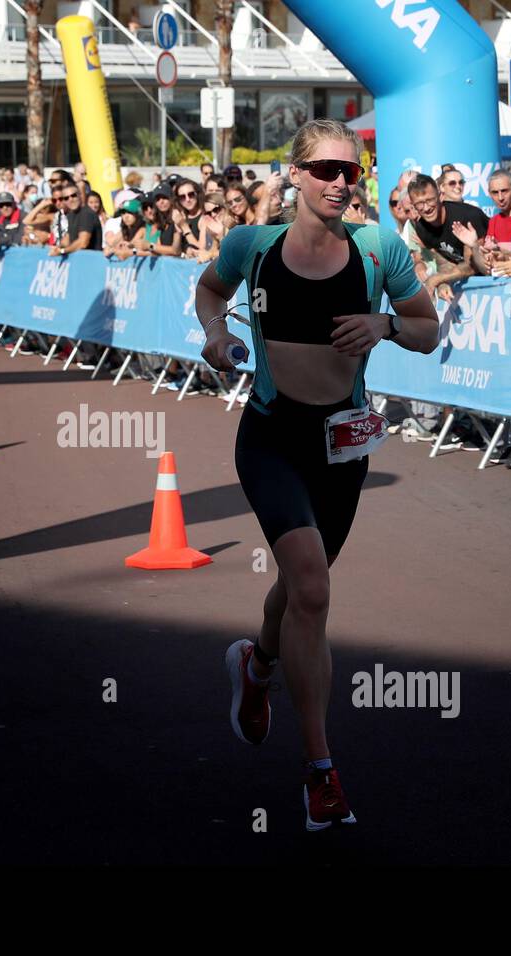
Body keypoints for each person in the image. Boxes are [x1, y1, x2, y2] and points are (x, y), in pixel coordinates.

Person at [195, 119, 439, 832]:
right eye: (327, 168)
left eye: (352, 170)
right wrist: (216, 334)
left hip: (343, 445)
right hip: (271, 437)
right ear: (296, 174)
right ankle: (321, 774)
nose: (341, 181)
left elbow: (429, 330)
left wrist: (386, 326)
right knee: (312, 586)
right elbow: (209, 293)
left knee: (301, 591)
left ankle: (257, 665)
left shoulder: (379, 249)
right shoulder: (253, 246)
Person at [406, 172, 489, 301]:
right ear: (413, 205)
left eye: (429, 200)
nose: (426, 208)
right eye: (419, 203)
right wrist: (443, 283)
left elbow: (471, 266)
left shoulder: (467, 217)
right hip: (469, 287)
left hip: (498, 278)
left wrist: (437, 279)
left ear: (440, 196)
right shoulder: (422, 227)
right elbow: (444, 263)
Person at [48, 183, 101, 254]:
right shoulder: (71, 215)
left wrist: (63, 251)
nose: (71, 199)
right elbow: (68, 237)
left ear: (80, 195)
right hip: (78, 260)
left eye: (73, 195)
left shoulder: (87, 213)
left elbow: (83, 242)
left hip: (91, 261)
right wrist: (58, 247)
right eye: (66, 198)